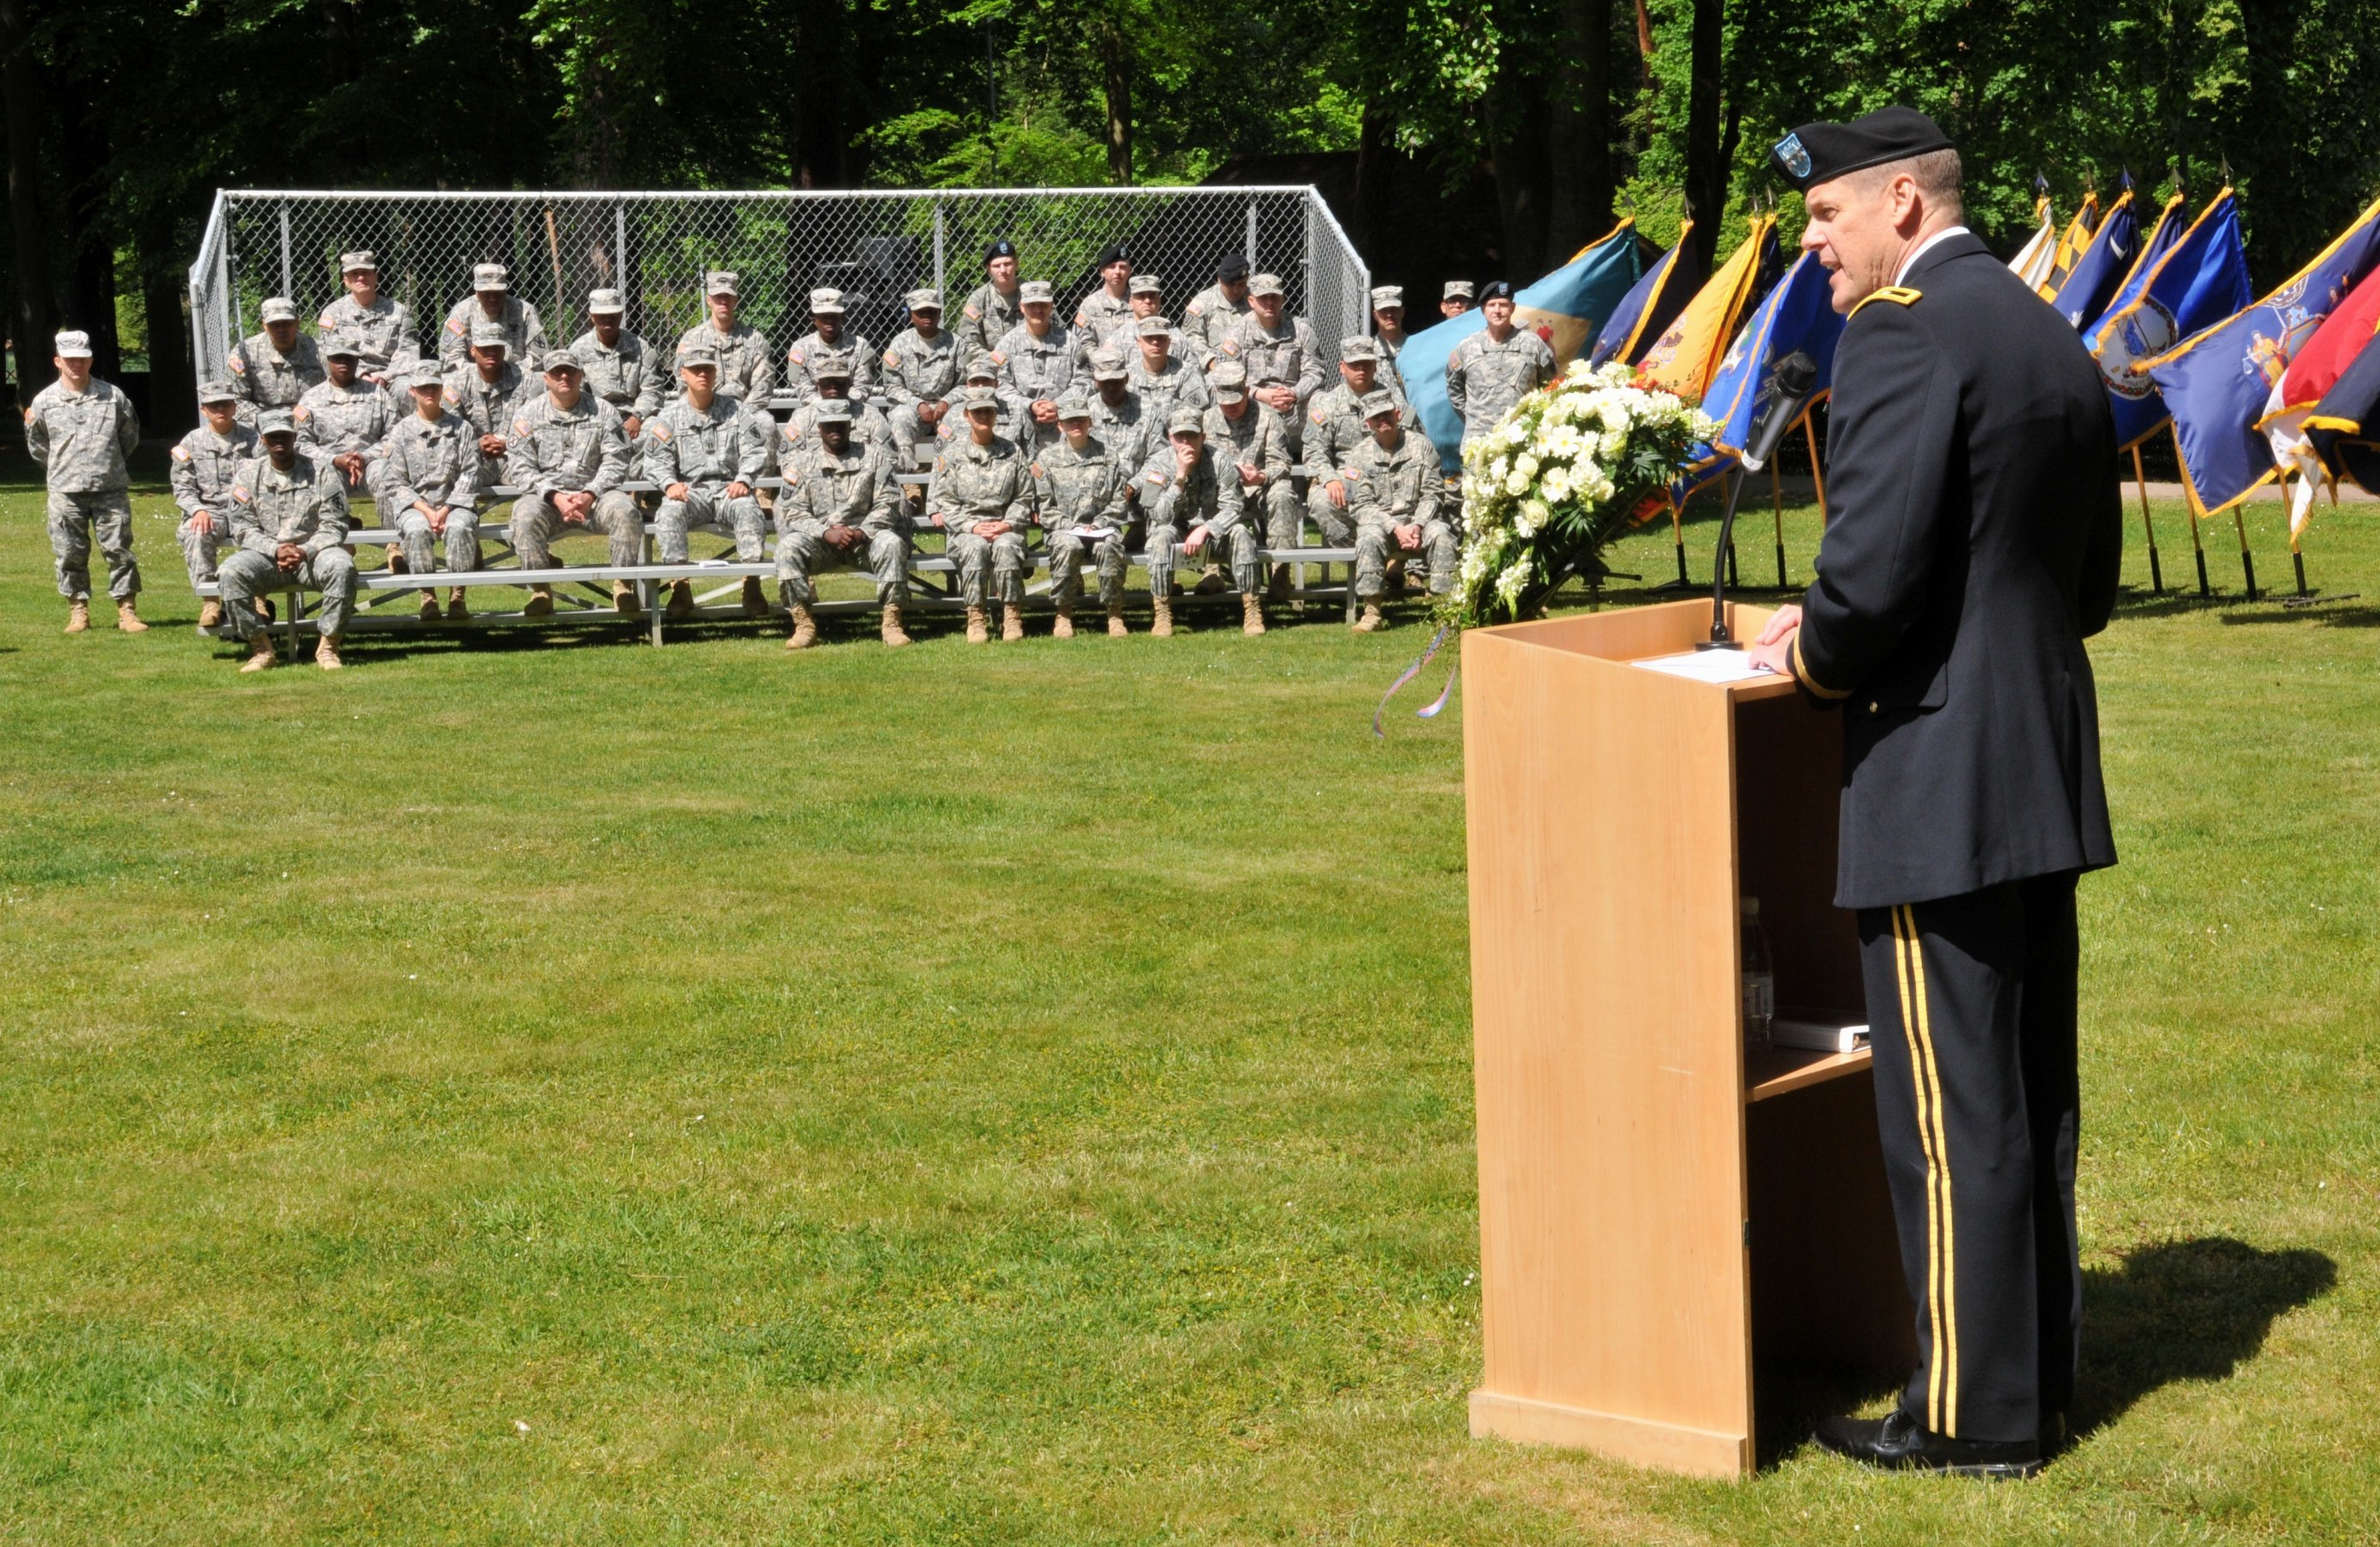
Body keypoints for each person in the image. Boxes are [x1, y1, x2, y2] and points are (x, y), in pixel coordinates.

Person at [1743, 106, 2122, 1481]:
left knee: (1951, 1116)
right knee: (2023, 1089)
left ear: (1900, 199)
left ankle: (1970, 1416)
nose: (1816, 248)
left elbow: (1873, 576)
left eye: (1827, 218)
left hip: (1936, 771)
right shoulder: (2045, 328)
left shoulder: (1902, 331)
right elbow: (2086, 587)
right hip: (2036, 761)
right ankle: (2036, 1372)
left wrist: (1816, 652)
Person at [505, 347, 645, 618]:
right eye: (557, 372)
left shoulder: (604, 412)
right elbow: (520, 467)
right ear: (546, 378)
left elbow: (617, 460)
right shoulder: (528, 415)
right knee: (524, 515)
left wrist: (590, 493)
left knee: (626, 511)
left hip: (596, 499)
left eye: (571, 371)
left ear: (581, 375)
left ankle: (623, 585)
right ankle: (541, 589)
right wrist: (554, 495)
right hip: (548, 501)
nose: (565, 376)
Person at [217, 409, 357, 672]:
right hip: (266, 557)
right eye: (272, 437)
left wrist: (305, 550)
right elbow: (242, 526)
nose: (279, 441)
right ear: (263, 439)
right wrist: (276, 549)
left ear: (294, 437)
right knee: (230, 572)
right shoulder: (248, 475)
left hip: (314, 555)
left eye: (284, 435)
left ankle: (328, 647)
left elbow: (336, 523)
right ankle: (261, 648)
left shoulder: (322, 472)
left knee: (342, 567)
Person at [26, 328, 144, 634]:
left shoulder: (113, 396)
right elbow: (38, 445)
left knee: (119, 550)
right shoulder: (44, 402)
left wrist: (108, 464)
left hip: (110, 487)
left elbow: (128, 437)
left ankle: (127, 612)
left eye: (83, 358)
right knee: (69, 553)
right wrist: (63, 468)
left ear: (90, 360)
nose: (77, 364)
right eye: (70, 359)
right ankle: (79, 611)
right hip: (66, 491)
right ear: (58, 361)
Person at [774, 400, 912, 651]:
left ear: (850, 425)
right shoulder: (802, 462)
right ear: (819, 428)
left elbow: (889, 502)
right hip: (821, 544)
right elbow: (792, 510)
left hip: (864, 542)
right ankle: (803, 624)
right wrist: (825, 532)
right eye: (829, 425)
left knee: (891, 543)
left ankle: (892, 622)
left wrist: (862, 531)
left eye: (841, 424)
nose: (835, 429)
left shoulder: (876, 457)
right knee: (788, 548)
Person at [646, 345, 769, 619]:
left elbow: (756, 450)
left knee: (749, 509)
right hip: (692, 491)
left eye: (708, 369)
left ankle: (751, 585)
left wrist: (745, 479)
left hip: (730, 489)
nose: (703, 374)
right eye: (696, 369)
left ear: (716, 374)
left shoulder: (736, 411)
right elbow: (655, 460)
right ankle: (680, 586)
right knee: (669, 512)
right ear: (683, 374)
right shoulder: (670, 416)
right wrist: (669, 484)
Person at [372, 360, 483, 620]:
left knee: (458, 527)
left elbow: (471, 473)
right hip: (415, 506)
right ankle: (428, 595)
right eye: (423, 388)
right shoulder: (400, 432)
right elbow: (395, 481)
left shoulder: (461, 429)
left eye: (434, 386)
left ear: (442, 388)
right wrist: (425, 510)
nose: (429, 392)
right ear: (412, 391)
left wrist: (445, 510)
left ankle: (458, 595)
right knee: (416, 529)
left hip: (455, 504)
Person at [1136, 408, 1261, 638]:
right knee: (1161, 536)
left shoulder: (1220, 460)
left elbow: (1233, 507)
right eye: (1180, 437)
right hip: (1176, 531)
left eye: (1192, 436)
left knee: (1242, 532)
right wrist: (1180, 478)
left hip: (1211, 534)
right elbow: (1158, 515)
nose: (1186, 442)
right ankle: (1162, 612)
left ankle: (1252, 608)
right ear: (1170, 438)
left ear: (1203, 437)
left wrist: (1206, 529)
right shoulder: (1157, 464)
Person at [927, 383, 1036, 644]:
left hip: (1005, 528)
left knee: (1007, 546)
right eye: (978, 412)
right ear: (966, 416)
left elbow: (1024, 496)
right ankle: (976, 618)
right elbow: (945, 501)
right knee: (975, 547)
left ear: (996, 415)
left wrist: (1007, 525)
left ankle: (1011, 617)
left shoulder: (1013, 452)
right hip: (965, 531)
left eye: (989, 412)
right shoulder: (952, 454)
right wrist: (972, 527)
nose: (984, 417)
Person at [1343, 392, 1451, 633]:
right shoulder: (1357, 456)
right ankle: (1372, 612)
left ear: (1398, 414)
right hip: (1383, 526)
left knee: (1442, 533)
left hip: (1419, 523)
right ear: (1367, 423)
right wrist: (1395, 527)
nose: (1384, 420)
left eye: (1388, 414)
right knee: (1369, 536)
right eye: (1376, 416)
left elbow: (1434, 493)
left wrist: (1418, 524)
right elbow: (1360, 505)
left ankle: (1446, 609)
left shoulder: (1422, 445)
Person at [1033, 389, 1132, 638]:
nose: (1076, 425)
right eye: (1070, 421)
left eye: (1081, 420)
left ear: (1090, 422)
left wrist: (1100, 523)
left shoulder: (1109, 456)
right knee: (1069, 546)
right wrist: (1071, 525)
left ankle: (1115, 614)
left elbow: (1120, 500)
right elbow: (1043, 506)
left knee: (1109, 545)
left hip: (1102, 528)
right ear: (1060, 426)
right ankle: (1063, 614)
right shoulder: (1046, 459)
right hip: (1064, 530)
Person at [1202, 359, 1297, 598]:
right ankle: (1211, 569)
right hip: (1221, 492)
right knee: (1200, 490)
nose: (1231, 407)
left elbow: (1282, 463)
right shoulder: (1206, 420)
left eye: (1236, 400)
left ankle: (1281, 572)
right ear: (1215, 394)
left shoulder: (1268, 418)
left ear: (1247, 391)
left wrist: (1261, 476)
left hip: (1258, 489)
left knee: (1283, 493)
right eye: (1225, 403)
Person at [170, 380, 260, 628]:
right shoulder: (191, 442)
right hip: (211, 511)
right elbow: (182, 485)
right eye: (213, 405)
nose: (220, 409)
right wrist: (196, 509)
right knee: (195, 531)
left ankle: (260, 598)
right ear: (204, 410)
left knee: (268, 534)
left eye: (226, 404)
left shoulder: (254, 440)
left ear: (235, 406)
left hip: (250, 511)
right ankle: (210, 600)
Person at [1216, 272, 1321, 456]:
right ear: (1251, 300)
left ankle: (1318, 460)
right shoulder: (1236, 333)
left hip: (1292, 404)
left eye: (1274, 297)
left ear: (1283, 299)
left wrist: (1294, 393)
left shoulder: (1301, 330)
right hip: (1251, 404)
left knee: (1322, 401)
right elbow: (1225, 378)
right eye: (1263, 298)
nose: (1269, 302)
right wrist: (1259, 393)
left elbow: (1315, 372)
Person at [1445, 279, 1554, 446]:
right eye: (1491, 305)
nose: (1497, 311)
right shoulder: (1466, 348)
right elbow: (1454, 388)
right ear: (1483, 310)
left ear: (1512, 308)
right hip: (1479, 445)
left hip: (1523, 441)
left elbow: (1549, 385)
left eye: (1503, 305)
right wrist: (1475, 419)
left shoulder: (1533, 344)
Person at [294, 334, 396, 496]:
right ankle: (338, 523)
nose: (343, 362)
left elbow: (394, 436)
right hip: (331, 466)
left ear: (357, 361)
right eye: (337, 358)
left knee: (387, 476)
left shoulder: (377, 394)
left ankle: (391, 523)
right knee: (325, 479)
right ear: (327, 360)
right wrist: (334, 459)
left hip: (370, 465)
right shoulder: (310, 399)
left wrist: (365, 457)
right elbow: (301, 444)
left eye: (349, 358)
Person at [570, 288, 666, 459]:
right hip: (594, 418)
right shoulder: (578, 351)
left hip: (634, 416)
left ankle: (638, 484)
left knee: (658, 432)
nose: (608, 320)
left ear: (621, 315)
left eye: (613, 315)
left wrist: (638, 417)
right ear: (591, 316)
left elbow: (653, 389)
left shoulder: (640, 347)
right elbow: (575, 394)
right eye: (601, 315)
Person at [776, 350, 898, 479]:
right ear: (818, 385)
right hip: (816, 486)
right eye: (827, 382)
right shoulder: (802, 418)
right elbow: (789, 461)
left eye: (839, 381)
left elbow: (888, 459)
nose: (833, 387)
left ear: (849, 383)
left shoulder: (870, 416)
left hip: (861, 486)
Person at [444, 322, 531, 490]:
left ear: (504, 350)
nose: (491, 353)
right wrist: (476, 445)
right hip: (473, 460)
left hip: (515, 458)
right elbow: (449, 431)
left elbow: (536, 427)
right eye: (485, 348)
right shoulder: (456, 384)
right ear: (473, 351)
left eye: (496, 347)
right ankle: (459, 515)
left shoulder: (525, 379)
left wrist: (508, 443)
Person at [881, 287, 961, 467]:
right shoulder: (899, 344)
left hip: (946, 409)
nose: (927, 316)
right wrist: (918, 404)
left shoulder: (956, 344)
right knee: (900, 418)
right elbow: (892, 387)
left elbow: (966, 384)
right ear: (911, 316)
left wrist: (946, 402)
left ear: (939, 314)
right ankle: (907, 475)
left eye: (932, 311)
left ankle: (953, 473)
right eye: (921, 312)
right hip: (912, 409)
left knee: (961, 418)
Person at [994, 279, 1077, 451]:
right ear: (1022, 307)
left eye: (1043, 304)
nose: (1038, 310)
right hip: (1021, 427)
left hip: (1064, 423)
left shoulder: (1070, 342)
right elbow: (1000, 385)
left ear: (1051, 306)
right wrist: (1029, 405)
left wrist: (1058, 405)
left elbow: (1084, 381)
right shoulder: (1007, 344)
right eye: (1032, 305)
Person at [316, 250, 418, 388]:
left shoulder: (399, 312)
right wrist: (361, 375)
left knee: (408, 389)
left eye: (366, 272)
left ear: (376, 277)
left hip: (391, 379)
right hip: (349, 377)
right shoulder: (332, 313)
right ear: (346, 281)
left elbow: (408, 352)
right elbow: (326, 354)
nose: (361, 278)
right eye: (354, 274)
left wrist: (384, 377)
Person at [675, 270, 774, 405]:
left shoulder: (755, 340)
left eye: (728, 296)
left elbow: (763, 385)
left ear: (735, 300)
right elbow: (684, 384)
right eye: (718, 296)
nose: (723, 301)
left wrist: (743, 416)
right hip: (705, 411)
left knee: (766, 424)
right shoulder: (692, 340)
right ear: (709, 300)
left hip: (745, 410)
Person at [227, 297, 324, 427]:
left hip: (309, 420)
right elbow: (236, 399)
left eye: (287, 323)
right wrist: (266, 420)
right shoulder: (245, 352)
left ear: (297, 322)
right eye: (275, 324)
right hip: (261, 423)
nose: (281, 330)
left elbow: (332, 389)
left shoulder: (318, 350)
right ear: (264, 325)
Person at [438, 262, 547, 370]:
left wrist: (507, 373)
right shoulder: (461, 314)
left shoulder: (525, 312)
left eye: (497, 292)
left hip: (519, 379)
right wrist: (482, 375)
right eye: (486, 293)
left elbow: (539, 357)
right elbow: (449, 358)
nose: (492, 299)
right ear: (477, 292)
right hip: (472, 381)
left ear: (505, 290)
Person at [782, 287, 877, 401]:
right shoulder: (800, 349)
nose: (829, 321)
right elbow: (803, 389)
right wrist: (825, 406)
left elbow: (863, 386)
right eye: (823, 316)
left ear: (843, 317)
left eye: (834, 316)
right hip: (814, 408)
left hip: (853, 406)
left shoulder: (861, 346)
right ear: (814, 319)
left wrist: (844, 405)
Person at [1126, 315, 1211, 428]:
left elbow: (1197, 413)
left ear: (1169, 342)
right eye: (1149, 337)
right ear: (1139, 342)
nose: (1155, 342)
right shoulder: (1127, 376)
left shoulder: (1186, 373)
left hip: (1177, 439)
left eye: (1161, 338)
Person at [1083, 345, 1152, 473]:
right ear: (1096, 382)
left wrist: (1136, 484)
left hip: (1137, 488)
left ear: (1126, 379)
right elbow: (1071, 454)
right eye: (1105, 382)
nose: (1111, 388)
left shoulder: (1148, 410)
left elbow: (1157, 458)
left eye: (1116, 381)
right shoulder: (1083, 412)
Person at [958, 238, 1025, 359]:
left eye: (1008, 264)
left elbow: (1053, 330)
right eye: (997, 266)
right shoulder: (978, 299)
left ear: (1016, 264)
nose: (1003, 270)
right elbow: (968, 342)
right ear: (988, 269)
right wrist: (999, 360)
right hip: (991, 368)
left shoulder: (1032, 294)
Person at [1183, 252, 1251, 359]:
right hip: (1215, 366)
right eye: (1231, 285)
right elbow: (1191, 336)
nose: (1236, 290)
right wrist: (1210, 362)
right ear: (1219, 280)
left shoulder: (1254, 300)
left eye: (1241, 284)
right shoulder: (1203, 302)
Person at [1074, 244, 1134, 340]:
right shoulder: (1089, 304)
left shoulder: (1140, 301)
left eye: (1122, 267)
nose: (1117, 271)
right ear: (1102, 272)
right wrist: (1100, 355)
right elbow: (1083, 341)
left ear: (1129, 271)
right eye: (1112, 266)